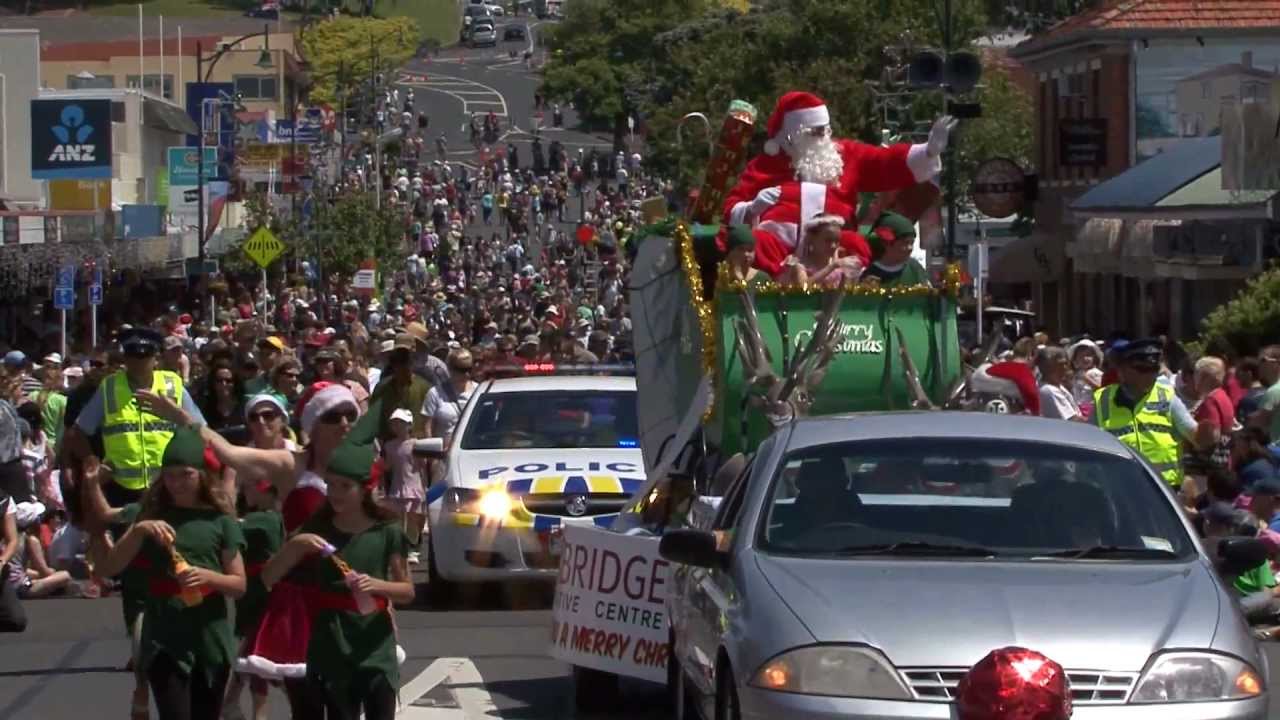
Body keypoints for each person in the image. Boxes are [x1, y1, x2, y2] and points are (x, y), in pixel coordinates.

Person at [92, 427, 247, 720]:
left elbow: (238, 585)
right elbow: (110, 567)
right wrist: (138, 532)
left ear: (201, 474)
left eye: (185, 474)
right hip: (165, 634)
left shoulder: (220, 521)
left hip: (209, 636)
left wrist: (208, 577)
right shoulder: (149, 516)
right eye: (170, 475)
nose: (177, 483)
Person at [260, 438, 414, 720]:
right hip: (331, 646)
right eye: (330, 484)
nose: (335, 493)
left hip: (375, 645)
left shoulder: (387, 531)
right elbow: (268, 577)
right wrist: (296, 546)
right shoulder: (317, 527)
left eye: (345, 486)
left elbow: (406, 590)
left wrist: (377, 585)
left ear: (365, 488)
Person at [722, 91, 954, 271]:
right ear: (791, 135)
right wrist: (753, 207)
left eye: (826, 130)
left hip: (835, 245)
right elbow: (730, 210)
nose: (823, 137)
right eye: (814, 132)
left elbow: (886, 162)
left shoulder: (845, 157)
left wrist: (928, 152)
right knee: (756, 242)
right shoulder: (765, 166)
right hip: (780, 251)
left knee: (855, 244)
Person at [68, 328, 204, 507]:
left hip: (168, 485)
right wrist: (92, 462)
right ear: (125, 358)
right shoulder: (109, 387)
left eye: (144, 356)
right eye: (132, 355)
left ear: (155, 358)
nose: (138, 362)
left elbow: (199, 429)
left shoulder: (173, 385)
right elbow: (78, 432)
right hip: (120, 488)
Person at [1093, 339, 1204, 489]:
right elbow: (1090, 444)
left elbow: (1194, 433)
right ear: (1123, 370)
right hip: (1120, 487)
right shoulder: (1103, 400)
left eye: (1153, 370)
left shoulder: (1166, 395)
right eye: (1142, 370)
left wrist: (1207, 435)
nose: (1149, 376)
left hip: (1165, 488)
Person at [223, 478, 283, 720]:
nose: (243, 492)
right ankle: (235, 704)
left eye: (248, 487)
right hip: (253, 590)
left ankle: (245, 707)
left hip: (262, 591)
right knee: (254, 650)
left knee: (257, 652)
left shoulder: (267, 519)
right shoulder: (262, 517)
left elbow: (232, 526)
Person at [383, 408, 426, 565]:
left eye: (401, 423)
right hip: (397, 487)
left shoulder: (416, 444)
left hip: (413, 486)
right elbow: (387, 466)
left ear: (409, 425)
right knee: (399, 521)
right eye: (395, 424)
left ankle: (413, 549)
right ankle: (402, 549)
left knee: (414, 520)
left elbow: (421, 466)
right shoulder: (389, 446)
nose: (398, 427)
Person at [863, 211, 928, 287]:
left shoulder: (914, 268)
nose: (910, 248)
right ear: (886, 243)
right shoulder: (869, 271)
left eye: (912, 243)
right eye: (905, 243)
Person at [1036, 346, 1084, 422]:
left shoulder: (1058, 386)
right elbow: (1072, 420)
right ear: (1046, 367)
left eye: (1066, 364)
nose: (1065, 368)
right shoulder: (1049, 390)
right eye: (1060, 364)